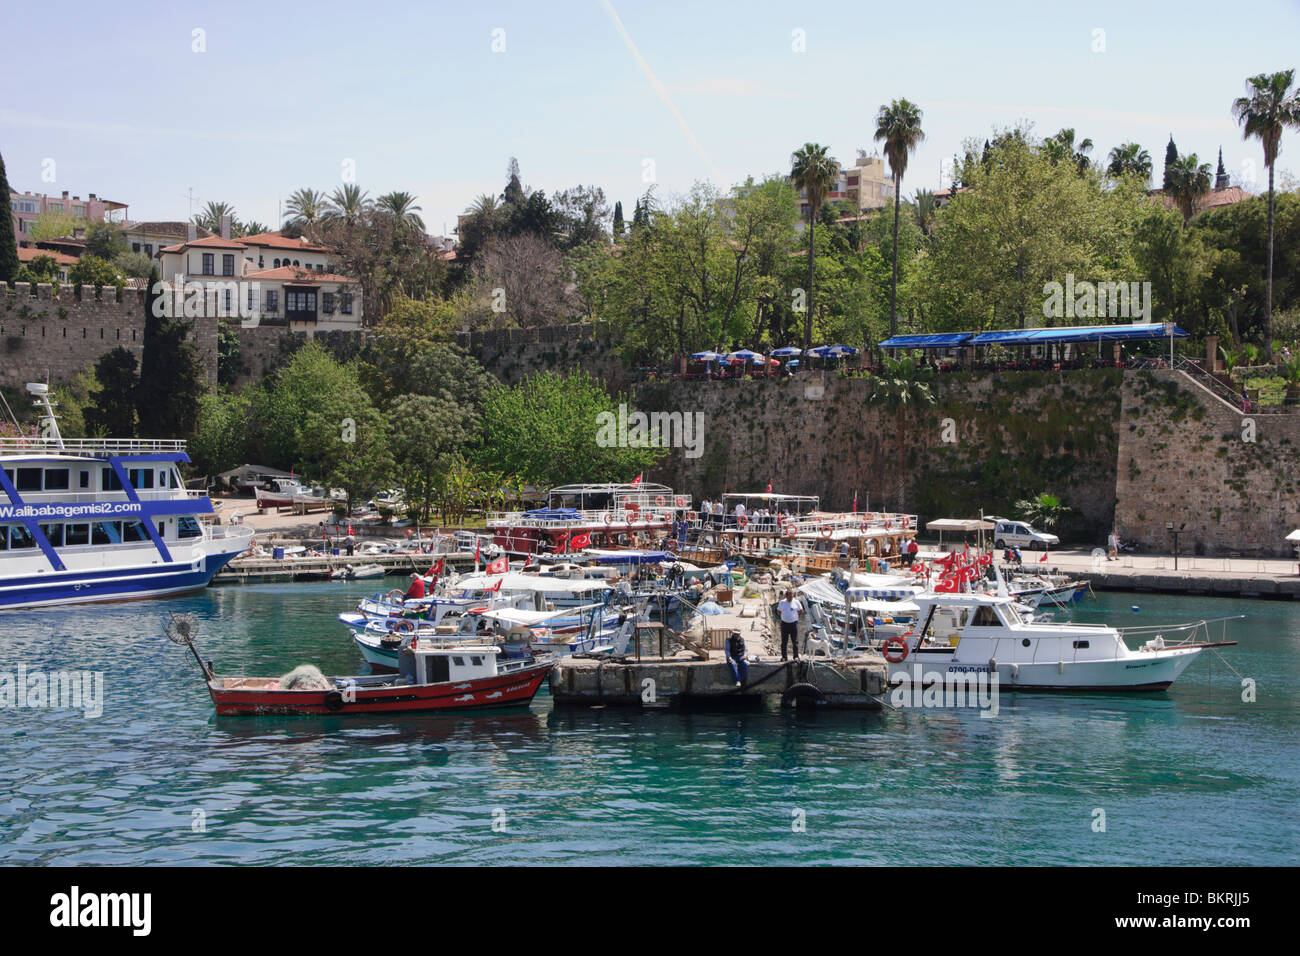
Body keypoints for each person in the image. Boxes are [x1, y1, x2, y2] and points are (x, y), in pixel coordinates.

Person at [776, 588, 803, 661]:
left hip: (793, 624)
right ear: (786, 596)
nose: (791, 598)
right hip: (785, 624)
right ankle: (784, 657)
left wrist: (794, 617)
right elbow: (779, 612)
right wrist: (785, 617)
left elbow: (800, 611)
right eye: (789, 596)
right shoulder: (782, 602)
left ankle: (796, 656)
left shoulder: (796, 602)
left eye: (792, 596)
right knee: (784, 641)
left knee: (795, 641)